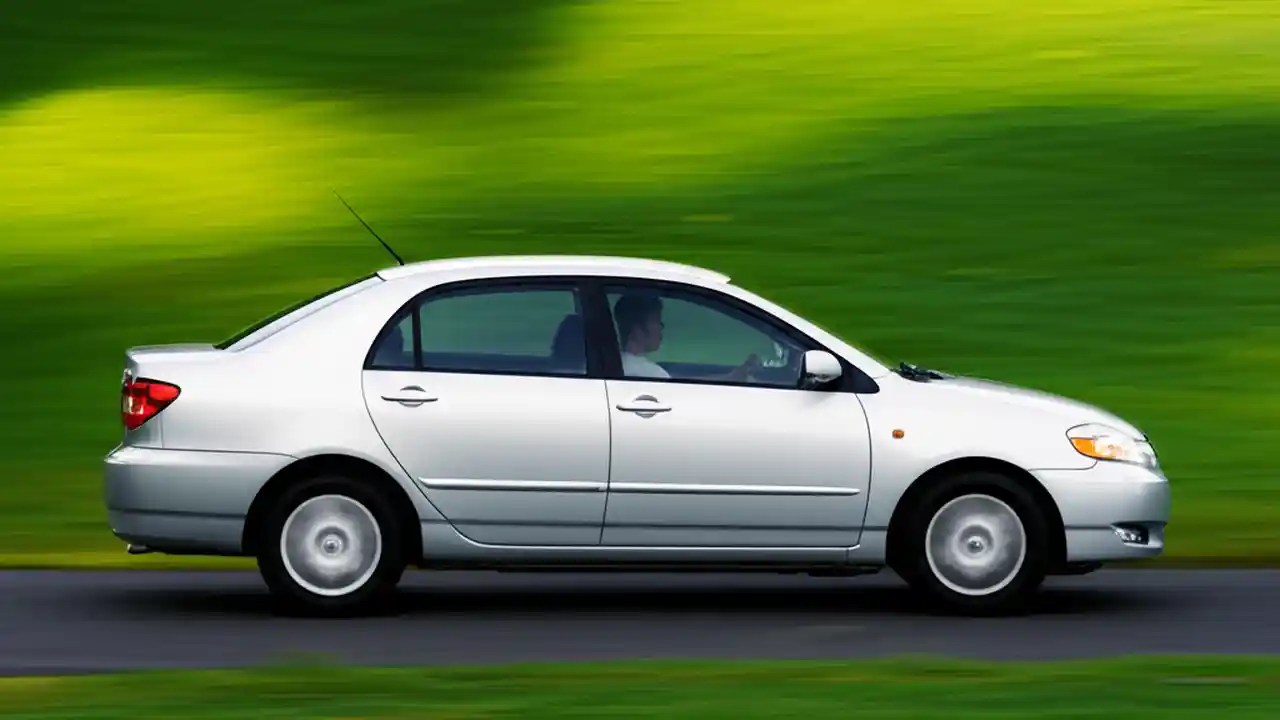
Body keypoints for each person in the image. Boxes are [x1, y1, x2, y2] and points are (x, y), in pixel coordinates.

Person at [613, 294, 761, 382]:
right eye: (656, 321)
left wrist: (732, 376)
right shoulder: (647, 373)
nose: (661, 327)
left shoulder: (622, 365)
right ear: (637, 329)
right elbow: (689, 392)